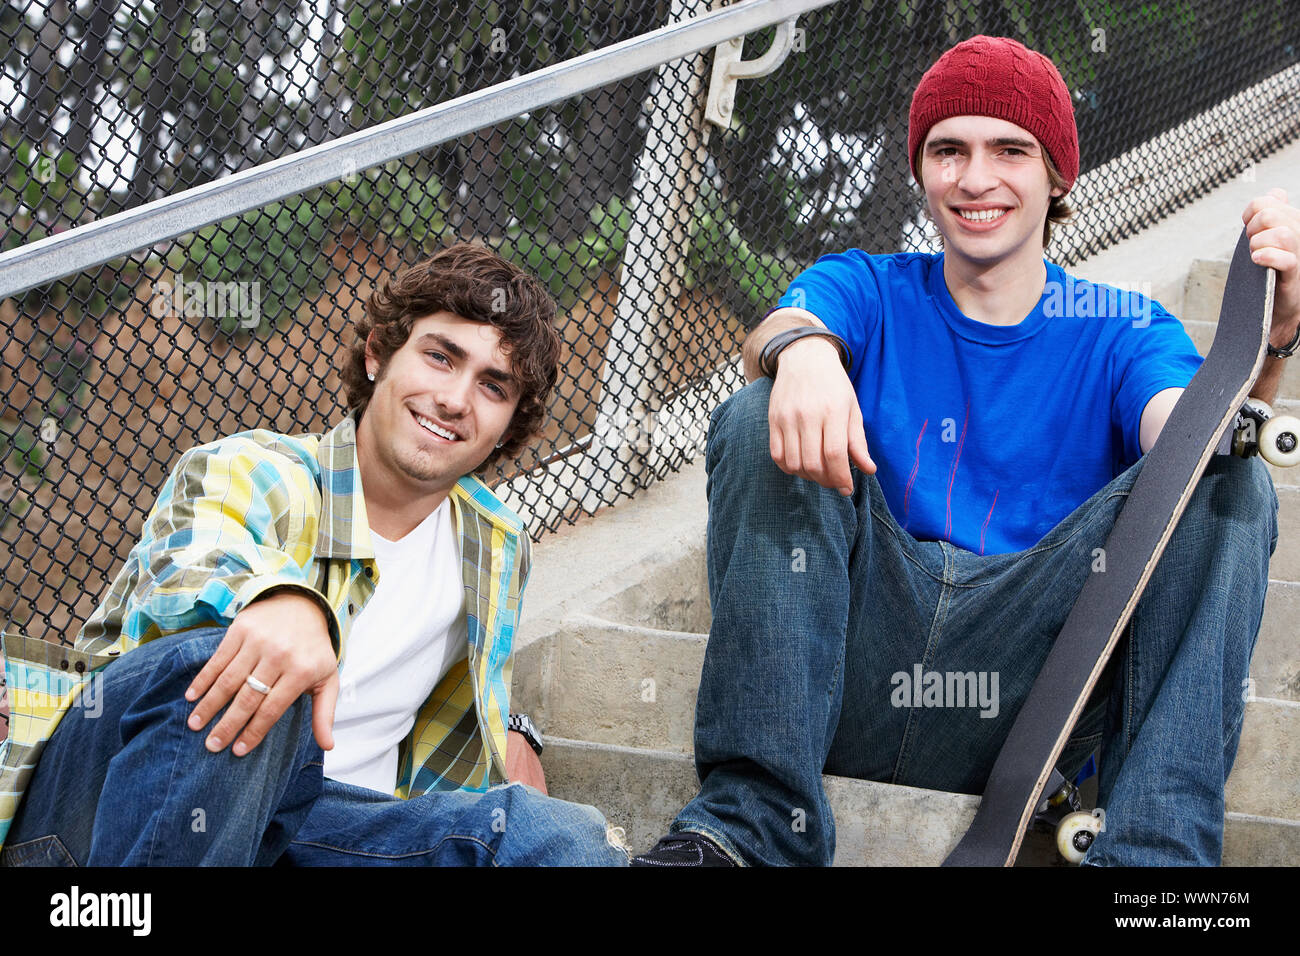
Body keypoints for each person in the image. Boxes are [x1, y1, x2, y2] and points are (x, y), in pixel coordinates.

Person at [632, 35, 1300, 867]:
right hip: (856, 661)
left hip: (1028, 688)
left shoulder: (1121, 328)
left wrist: (1264, 347)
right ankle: (749, 826)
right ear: (920, 171)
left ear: (1059, 176)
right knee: (755, 413)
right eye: (949, 150)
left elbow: (1187, 430)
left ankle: (1151, 863)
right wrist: (800, 353)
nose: (975, 178)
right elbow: (785, 322)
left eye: (1009, 151)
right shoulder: (869, 286)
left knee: (1228, 485)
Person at [0, 243, 629, 866]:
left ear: (510, 424)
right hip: (113, 816)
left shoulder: (496, 543)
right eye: (440, 357)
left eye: (493, 388)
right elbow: (189, 560)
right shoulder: (252, 468)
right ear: (379, 353)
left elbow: (454, 719)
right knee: (251, 669)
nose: (456, 400)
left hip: (328, 831)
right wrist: (281, 602)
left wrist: (514, 734)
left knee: (561, 839)